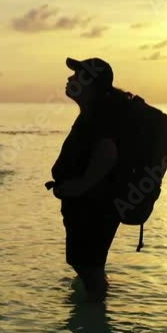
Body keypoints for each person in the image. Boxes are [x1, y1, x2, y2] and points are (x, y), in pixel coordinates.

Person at [49, 57, 131, 298]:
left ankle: (93, 321)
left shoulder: (99, 116)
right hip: (93, 205)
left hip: (94, 207)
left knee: (88, 267)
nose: (70, 79)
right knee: (88, 266)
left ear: (90, 83)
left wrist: (80, 187)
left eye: (76, 75)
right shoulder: (95, 112)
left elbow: (108, 152)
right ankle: (89, 316)